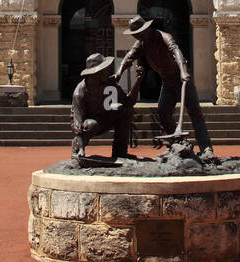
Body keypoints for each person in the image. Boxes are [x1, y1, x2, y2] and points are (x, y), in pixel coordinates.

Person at [116, 13, 213, 154]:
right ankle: (176, 143)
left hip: (181, 80)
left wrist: (183, 71)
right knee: (163, 112)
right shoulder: (141, 43)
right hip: (167, 82)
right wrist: (119, 72)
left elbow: (176, 52)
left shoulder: (164, 37)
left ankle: (206, 148)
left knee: (194, 112)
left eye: (136, 33)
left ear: (144, 29)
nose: (134, 36)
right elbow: (129, 57)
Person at [70, 52, 134, 160]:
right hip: (89, 125)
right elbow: (78, 124)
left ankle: (120, 151)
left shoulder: (109, 84)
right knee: (90, 124)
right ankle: (77, 149)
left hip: (105, 118)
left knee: (125, 111)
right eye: (105, 70)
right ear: (97, 73)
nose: (108, 72)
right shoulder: (80, 92)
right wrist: (81, 150)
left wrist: (138, 81)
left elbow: (128, 102)